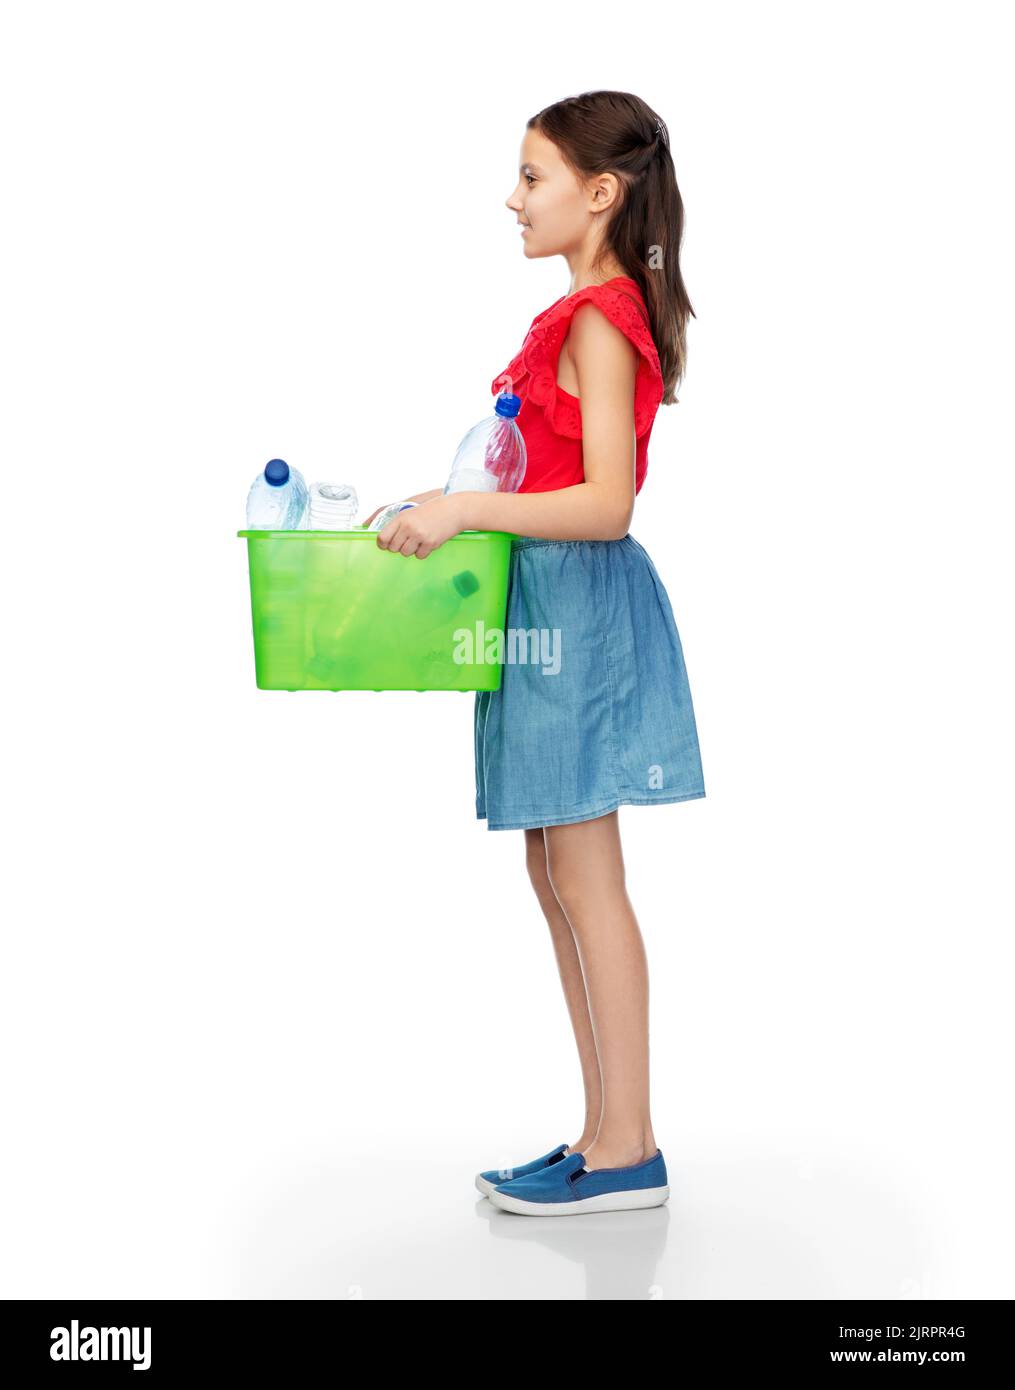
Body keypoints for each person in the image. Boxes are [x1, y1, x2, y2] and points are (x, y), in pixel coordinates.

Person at [365, 90, 705, 1216]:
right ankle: (604, 1132)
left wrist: (464, 516)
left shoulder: (604, 317)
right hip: (540, 605)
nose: (511, 199)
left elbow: (606, 503)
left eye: (532, 177)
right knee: (552, 867)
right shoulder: (575, 314)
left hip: (580, 607)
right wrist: (450, 500)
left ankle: (629, 1151)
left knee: (587, 876)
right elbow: (533, 469)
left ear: (600, 194)